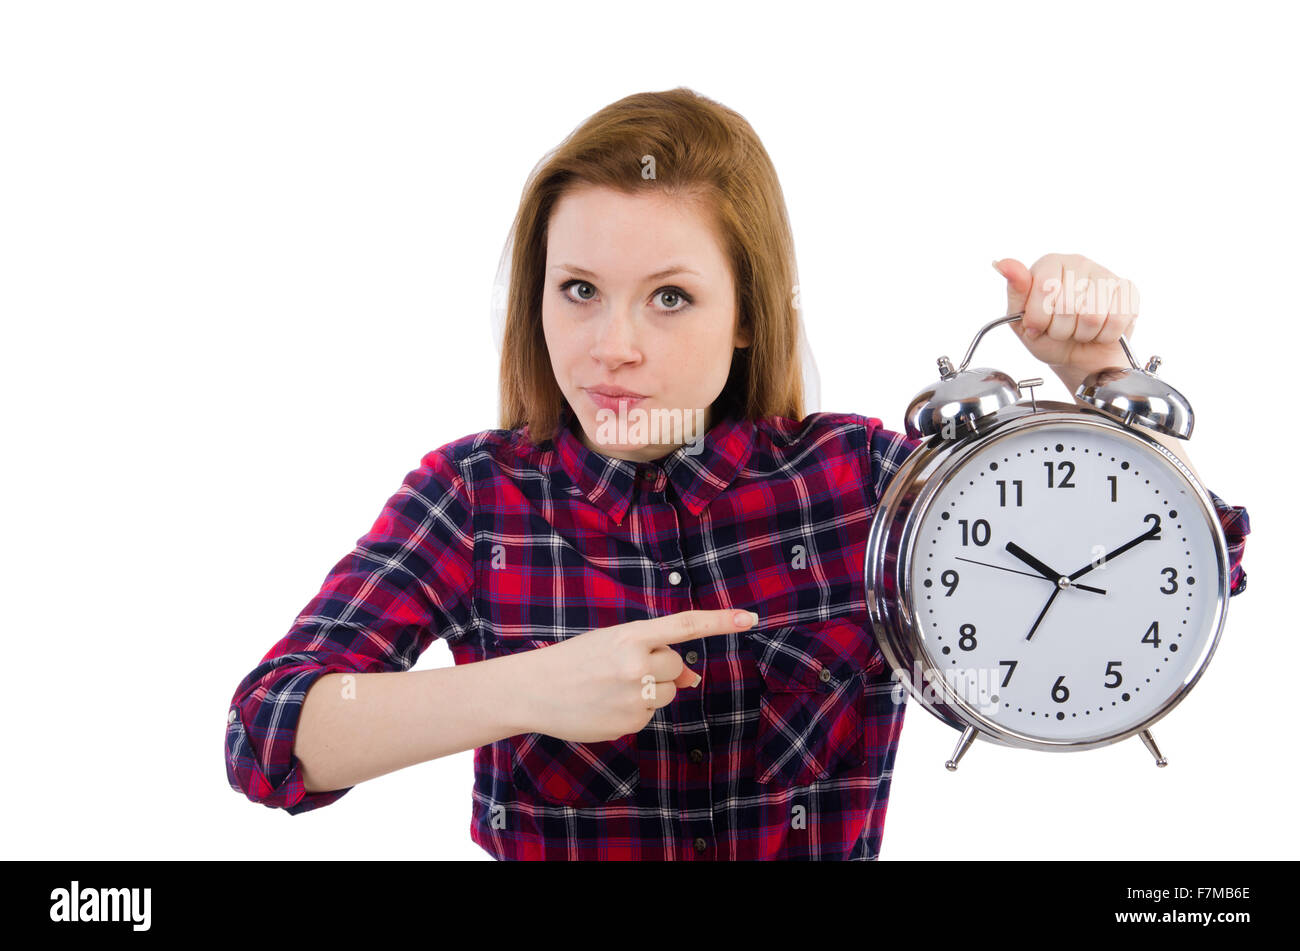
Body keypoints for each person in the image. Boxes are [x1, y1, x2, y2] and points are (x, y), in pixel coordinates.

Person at [224, 87, 1251, 860]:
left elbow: (1192, 568)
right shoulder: (473, 499)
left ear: (747, 312)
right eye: (578, 289)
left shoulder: (865, 485)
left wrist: (1098, 375)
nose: (610, 346)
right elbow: (268, 735)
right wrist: (530, 689)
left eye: (668, 298)